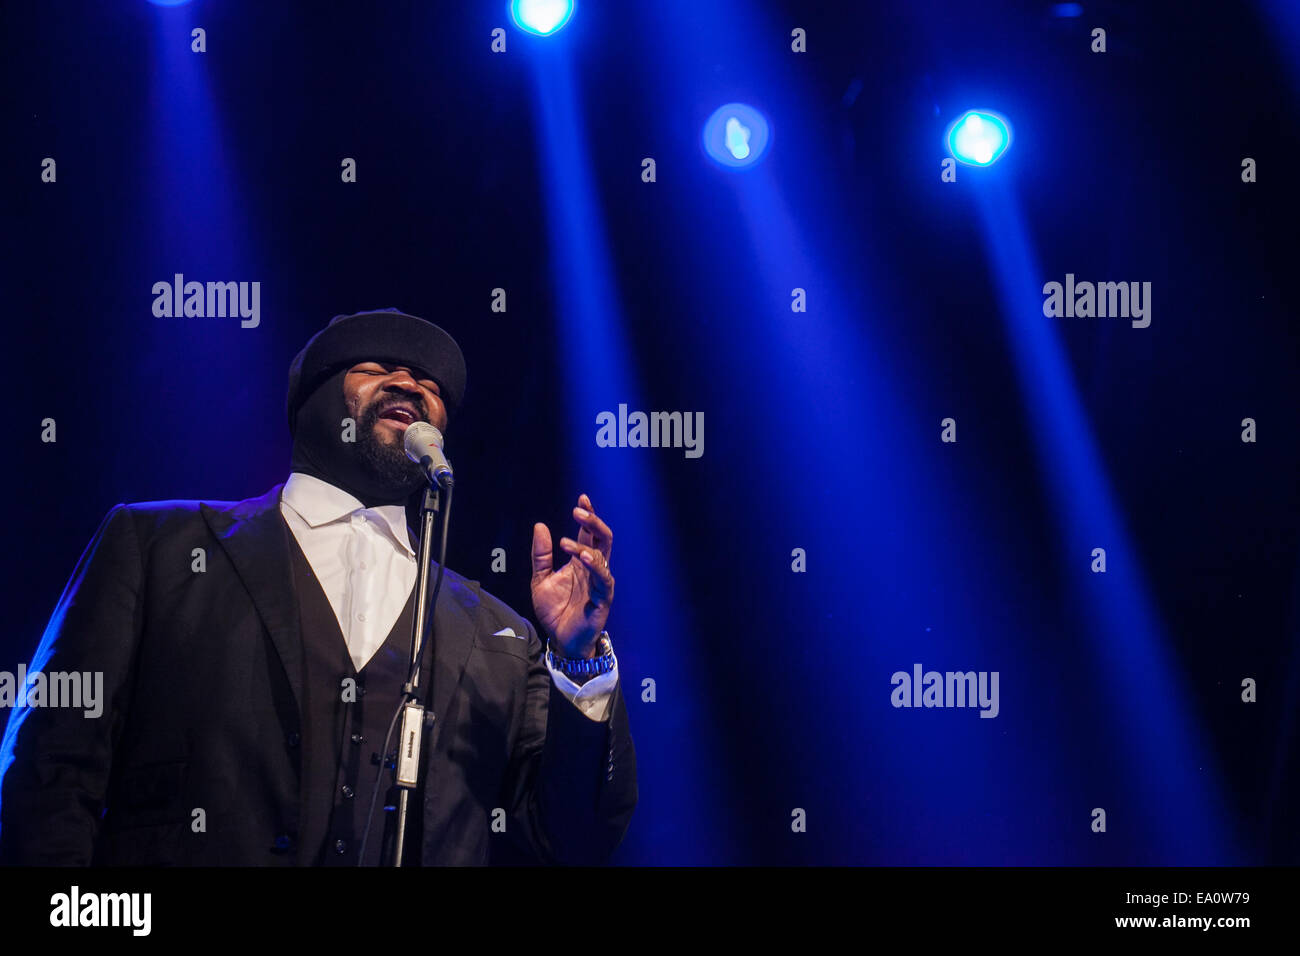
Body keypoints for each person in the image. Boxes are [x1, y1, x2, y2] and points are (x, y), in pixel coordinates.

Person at [0, 308, 637, 866]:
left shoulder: (502, 635)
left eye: (431, 385)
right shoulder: (157, 545)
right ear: (312, 401)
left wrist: (578, 659)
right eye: (374, 366)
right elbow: (49, 770)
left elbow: (571, 837)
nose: (410, 384)